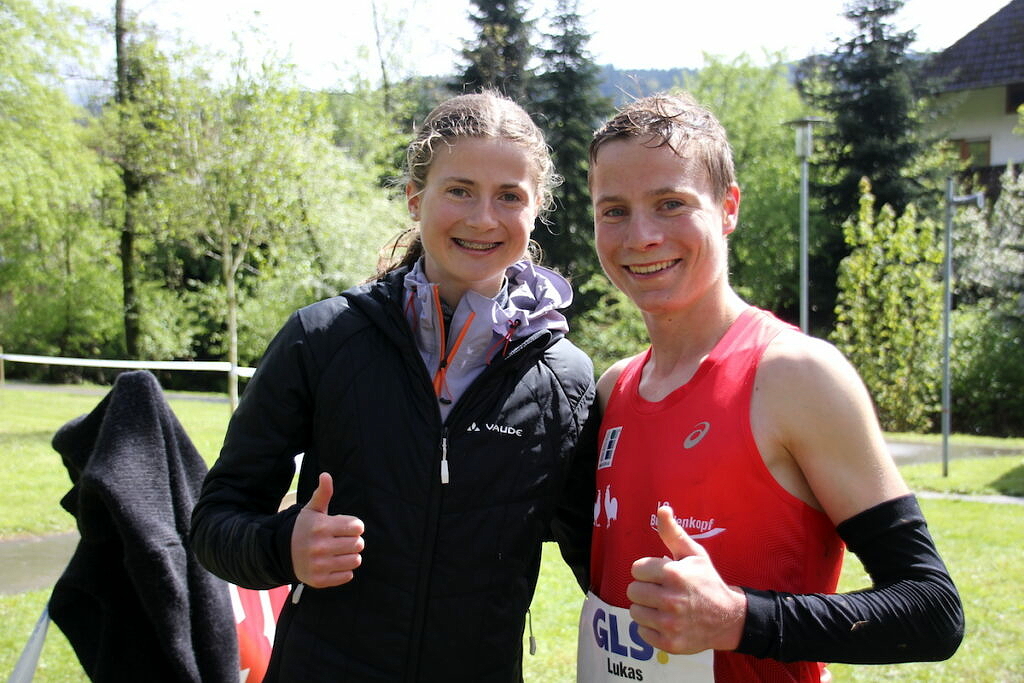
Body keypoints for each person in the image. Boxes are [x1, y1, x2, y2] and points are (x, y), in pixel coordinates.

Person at [190, 90, 597, 682]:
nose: (483, 218)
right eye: (459, 190)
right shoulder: (323, 339)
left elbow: (601, 558)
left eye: (509, 196)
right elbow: (214, 523)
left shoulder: (564, 380)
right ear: (415, 199)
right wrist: (286, 546)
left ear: (535, 212)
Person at [576, 92, 964, 682]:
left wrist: (737, 619)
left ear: (728, 207)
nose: (641, 235)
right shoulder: (613, 389)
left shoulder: (795, 375)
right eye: (614, 210)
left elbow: (932, 609)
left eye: (671, 203)